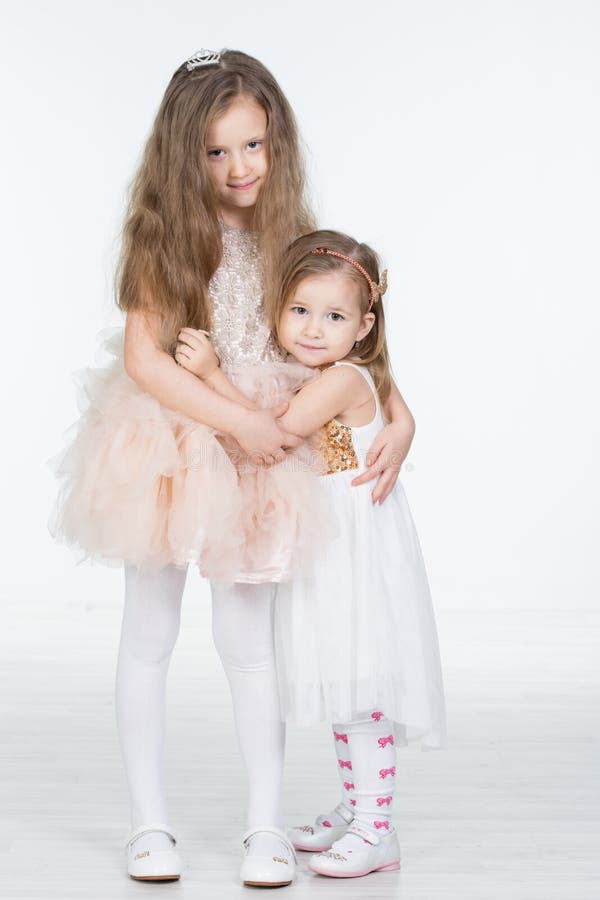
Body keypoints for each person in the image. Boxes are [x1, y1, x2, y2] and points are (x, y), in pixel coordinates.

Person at [49, 49, 417, 887]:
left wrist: (400, 411)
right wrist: (240, 420)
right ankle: (150, 825)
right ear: (185, 157)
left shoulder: (292, 229)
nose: (238, 167)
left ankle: (265, 827)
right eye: (216, 152)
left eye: (252, 145)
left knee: (251, 642)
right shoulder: (165, 234)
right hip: (176, 440)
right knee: (150, 633)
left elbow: (351, 329)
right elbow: (147, 362)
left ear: (277, 140)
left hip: (269, 444)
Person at [181, 228, 447, 880]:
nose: (312, 328)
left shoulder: (345, 379)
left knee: (360, 690)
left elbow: (268, 436)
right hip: (335, 545)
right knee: (343, 679)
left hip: (354, 549)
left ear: (364, 325)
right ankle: (356, 807)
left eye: (333, 316)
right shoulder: (342, 373)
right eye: (299, 310)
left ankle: (377, 828)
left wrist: (213, 375)